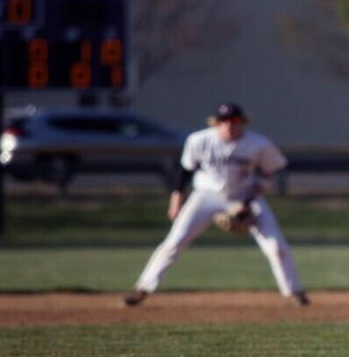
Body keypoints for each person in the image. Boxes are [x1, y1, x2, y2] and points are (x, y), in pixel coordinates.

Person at [123, 103, 309, 307]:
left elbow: (270, 173)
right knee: (174, 242)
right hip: (205, 196)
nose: (228, 124)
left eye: (234, 120)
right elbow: (185, 170)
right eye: (223, 120)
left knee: (276, 246)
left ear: (242, 122)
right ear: (216, 122)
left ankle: (294, 292)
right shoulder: (199, 140)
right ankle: (143, 288)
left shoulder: (259, 144)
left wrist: (247, 202)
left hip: (245, 195)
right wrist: (176, 200)